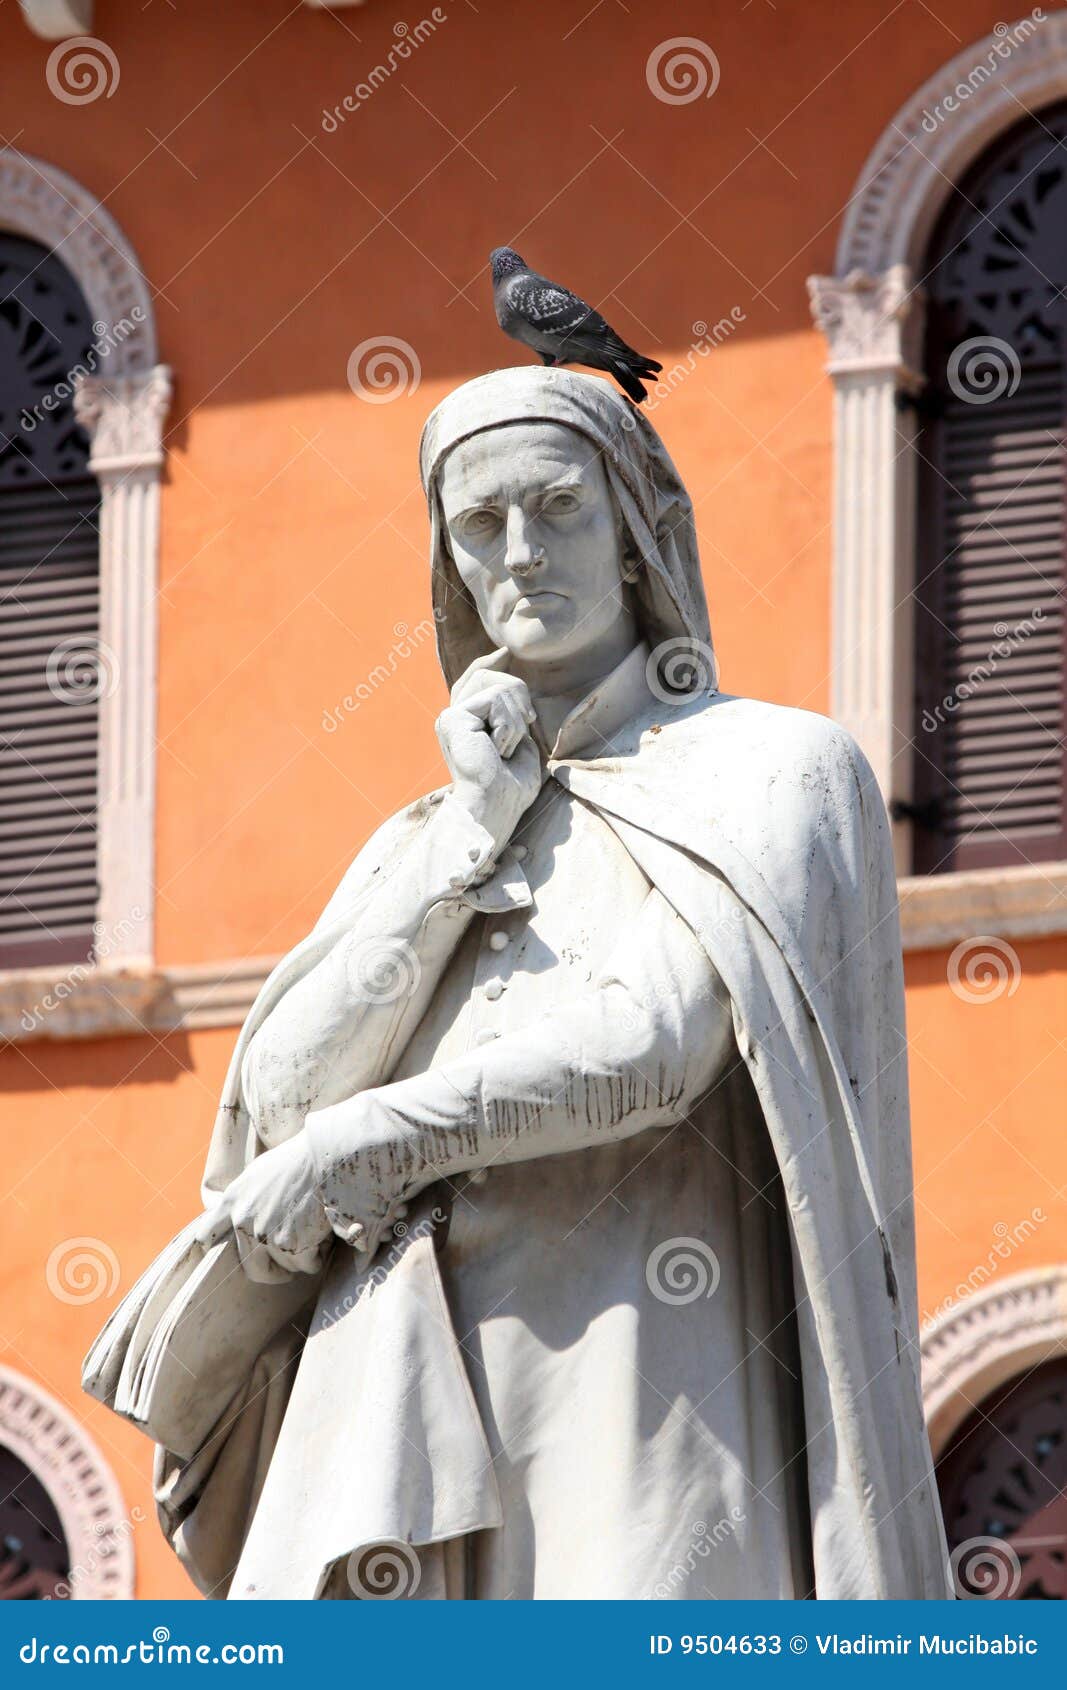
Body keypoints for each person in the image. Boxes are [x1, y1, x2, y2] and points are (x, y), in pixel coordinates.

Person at [144, 367, 950, 1600]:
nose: (520, 552)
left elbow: (648, 1047)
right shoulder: (419, 836)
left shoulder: (772, 768)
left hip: (643, 1397)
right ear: (449, 564)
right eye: (479, 524)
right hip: (386, 1421)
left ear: (634, 529)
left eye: (557, 504)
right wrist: (465, 839)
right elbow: (276, 1096)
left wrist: (360, 1143)